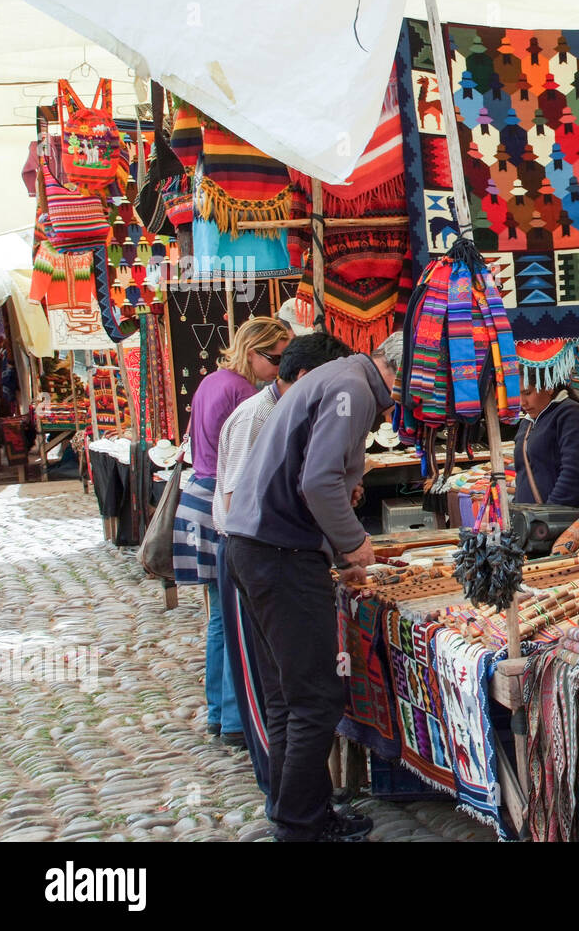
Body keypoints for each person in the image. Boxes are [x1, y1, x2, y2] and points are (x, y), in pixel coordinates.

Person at [224, 332, 400, 842]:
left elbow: (316, 474)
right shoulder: (354, 386)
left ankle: (299, 813)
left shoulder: (337, 378)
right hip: (279, 553)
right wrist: (353, 543)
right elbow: (318, 482)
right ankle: (300, 827)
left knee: (288, 698)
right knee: (316, 699)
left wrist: (335, 535)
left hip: (256, 544)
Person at [211, 332, 353, 804]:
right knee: (296, 696)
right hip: (263, 558)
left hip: (270, 554)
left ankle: (301, 806)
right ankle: (292, 810)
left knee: (291, 696)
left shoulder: (298, 411)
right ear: (308, 377)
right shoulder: (258, 415)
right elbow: (239, 502)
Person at [172, 316, 291, 748]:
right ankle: (238, 716)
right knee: (235, 616)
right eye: (277, 359)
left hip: (200, 495)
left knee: (221, 616)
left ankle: (221, 711)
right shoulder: (245, 394)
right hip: (221, 503)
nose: (282, 369)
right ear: (254, 352)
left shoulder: (212, 382)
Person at [513, 381, 579, 507]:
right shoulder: (528, 421)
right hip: (532, 520)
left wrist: (548, 515)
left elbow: (573, 474)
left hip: (558, 521)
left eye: (527, 393)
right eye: (517, 394)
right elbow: (523, 473)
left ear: (549, 387)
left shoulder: (571, 414)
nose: (522, 402)